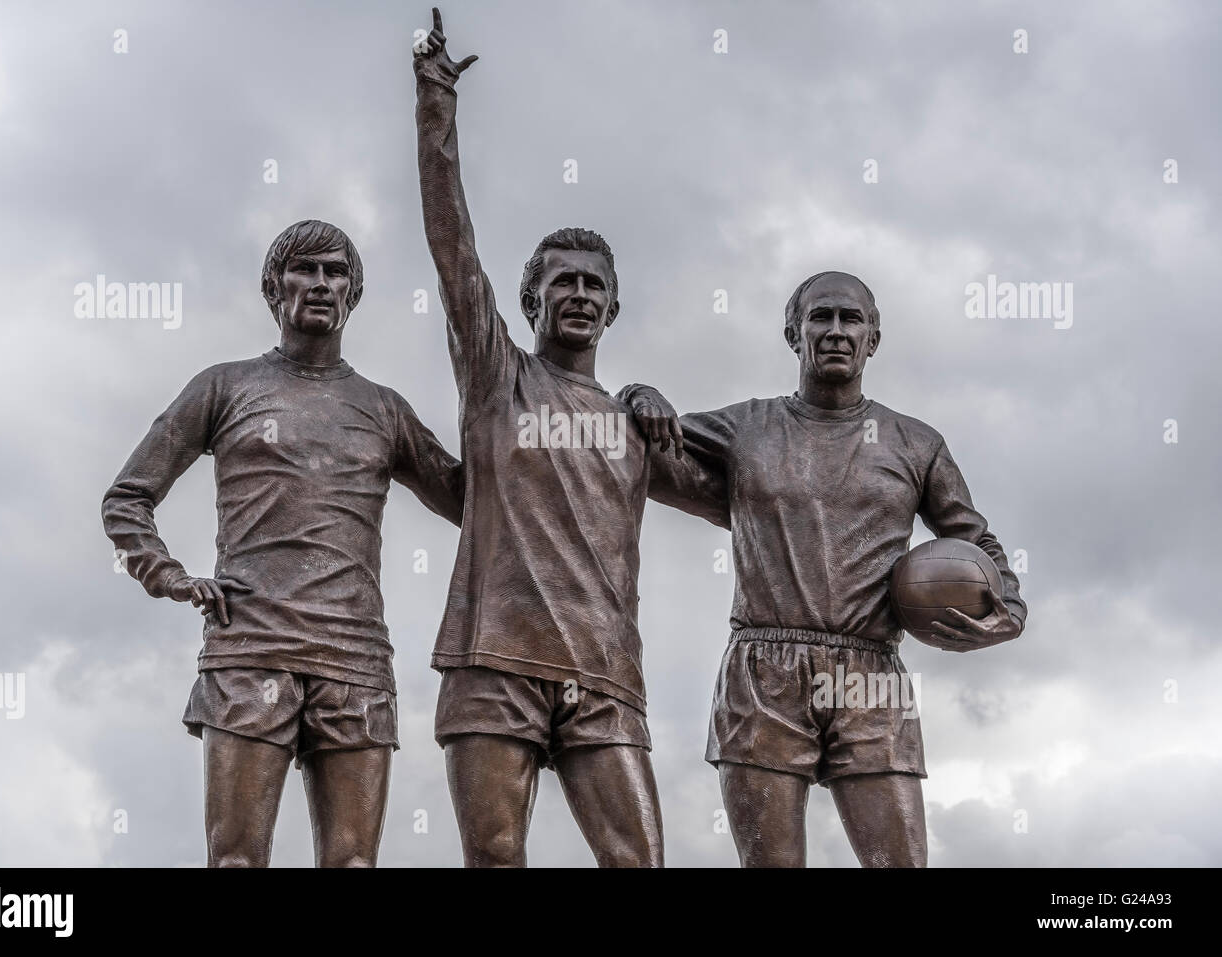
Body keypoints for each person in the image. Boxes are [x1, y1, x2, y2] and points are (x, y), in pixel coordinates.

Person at [412, 8, 711, 867]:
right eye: (560, 283)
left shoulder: (634, 423)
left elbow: (754, 502)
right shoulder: (496, 375)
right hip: (493, 662)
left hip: (605, 676)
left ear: (613, 307)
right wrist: (436, 109)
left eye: (593, 285)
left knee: (639, 861)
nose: (577, 293)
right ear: (532, 299)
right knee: (495, 860)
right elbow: (451, 244)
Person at [623, 270, 1027, 867]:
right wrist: (636, 393)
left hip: (871, 675)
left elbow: (974, 539)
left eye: (851, 318)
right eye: (821, 317)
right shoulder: (748, 428)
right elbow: (643, 441)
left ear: (873, 339)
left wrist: (1009, 612)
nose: (836, 330)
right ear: (794, 332)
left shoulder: (916, 443)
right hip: (765, 671)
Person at [102, 219, 464, 867]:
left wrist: (510, 415)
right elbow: (127, 498)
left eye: (336, 272)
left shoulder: (383, 409)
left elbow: (473, 504)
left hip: (353, 659)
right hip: (249, 649)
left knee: (352, 863)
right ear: (274, 287)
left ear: (353, 292)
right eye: (306, 269)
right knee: (237, 859)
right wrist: (168, 574)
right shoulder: (225, 386)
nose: (321, 283)